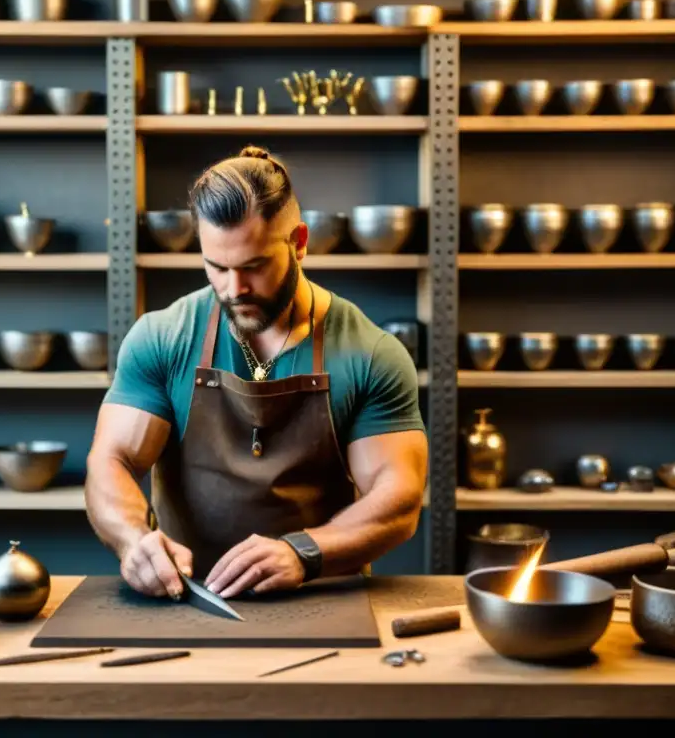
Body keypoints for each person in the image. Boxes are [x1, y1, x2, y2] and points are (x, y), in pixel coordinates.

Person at [85, 145, 428, 601]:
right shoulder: (162, 337)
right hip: (189, 598)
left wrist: (304, 552)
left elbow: (397, 501)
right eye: (216, 267)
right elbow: (111, 462)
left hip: (322, 597)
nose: (234, 289)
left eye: (254, 267)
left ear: (299, 243)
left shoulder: (370, 353)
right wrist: (133, 540)